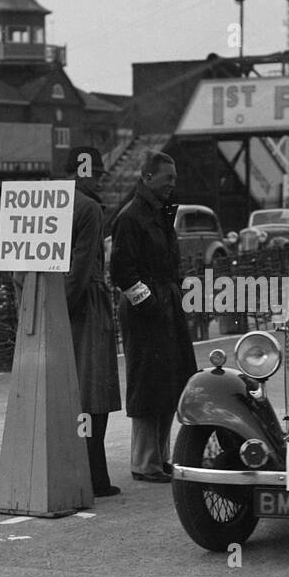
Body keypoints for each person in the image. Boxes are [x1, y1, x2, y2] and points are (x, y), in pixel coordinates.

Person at [110, 151, 197, 483]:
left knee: (170, 380)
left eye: (173, 179)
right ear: (147, 178)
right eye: (167, 179)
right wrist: (149, 305)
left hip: (166, 302)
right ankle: (144, 462)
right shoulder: (130, 218)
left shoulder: (160, 213)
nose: (171, 186)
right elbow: (122, 272)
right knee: (148, 384)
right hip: (148, 309)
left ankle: (160, 458)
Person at [64, 147, 123, 498]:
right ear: (81, 171)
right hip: (86, 305)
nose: (101, 178)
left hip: (53, 305)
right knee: (94, 391)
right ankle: (95, 475)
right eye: (96, 172)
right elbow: (83, 267)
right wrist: (69, 306)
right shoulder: (88, 208)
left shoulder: (52, 202)